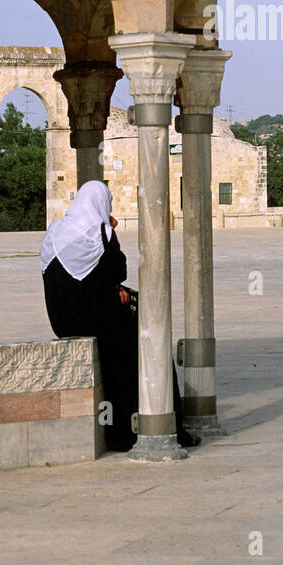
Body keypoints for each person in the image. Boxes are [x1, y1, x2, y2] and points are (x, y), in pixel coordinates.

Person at [40, 181, 198, 451]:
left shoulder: (55, 231)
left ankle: (122, 429)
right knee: (149, 333)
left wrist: (113, 289)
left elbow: (81, 279)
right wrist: (111, 232)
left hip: (63, 319)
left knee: (128, 302)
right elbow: (118, 270)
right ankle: (164, 424)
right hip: (98, 318)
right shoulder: (100, 231)